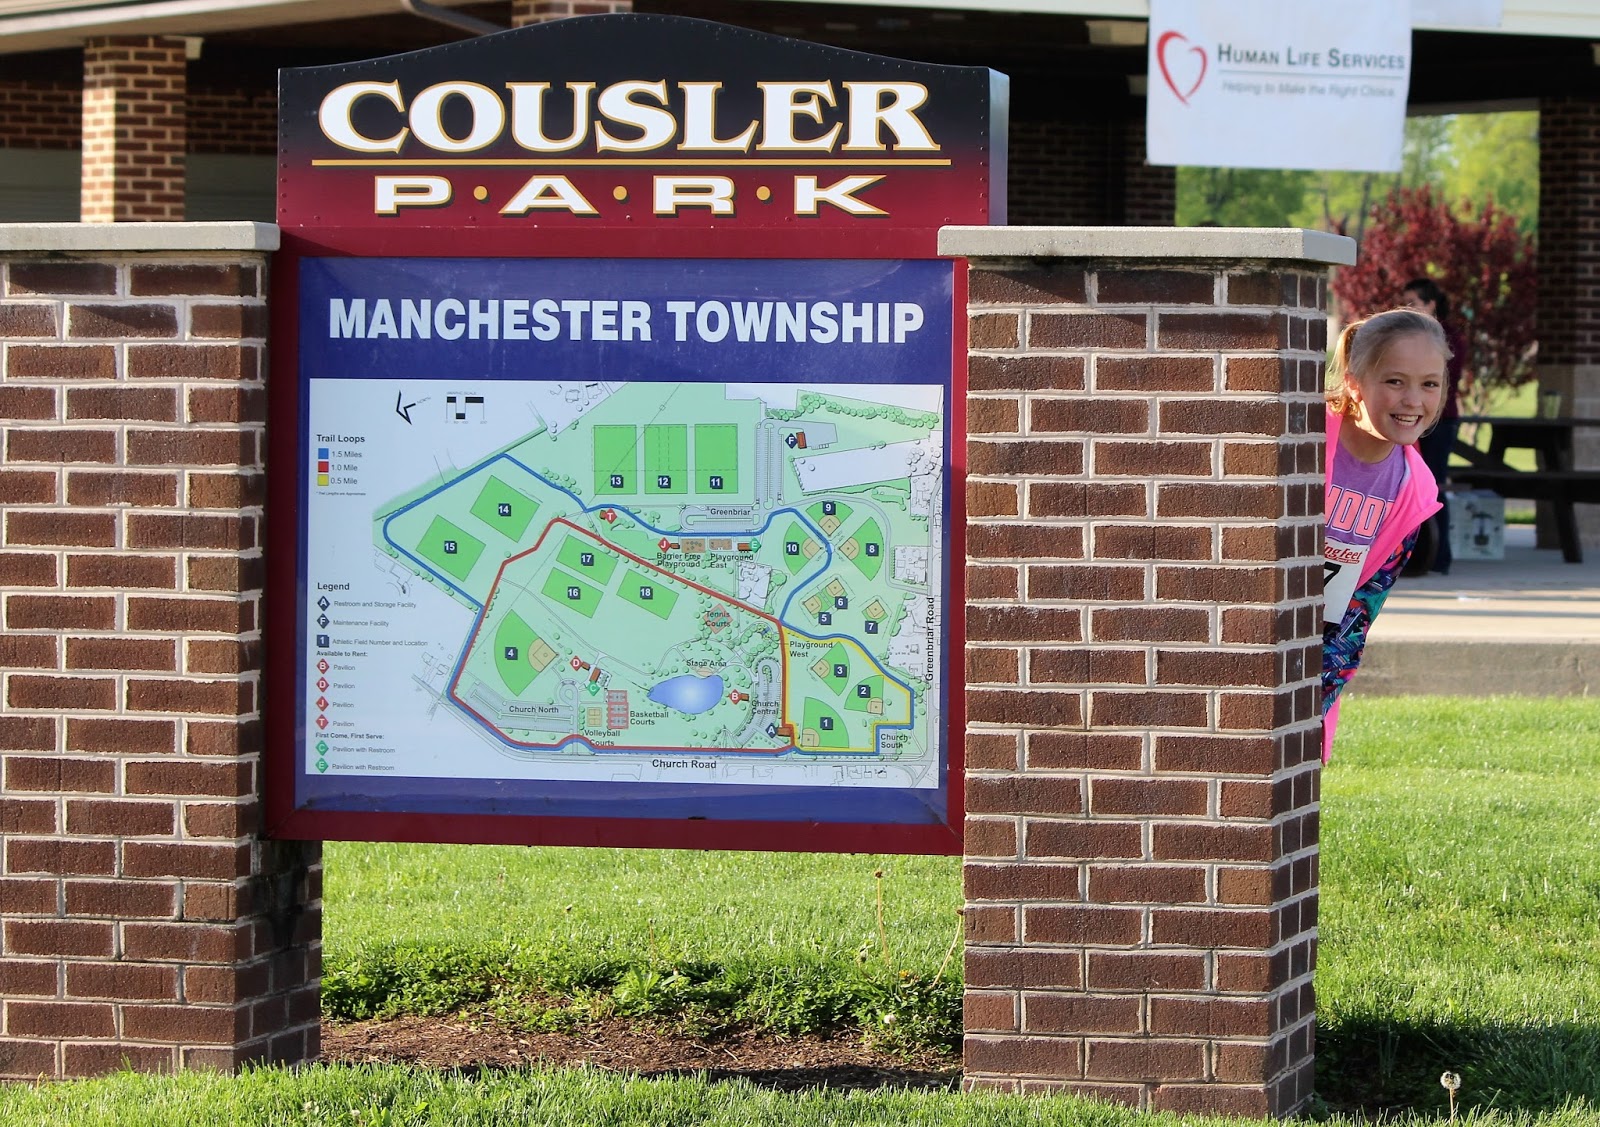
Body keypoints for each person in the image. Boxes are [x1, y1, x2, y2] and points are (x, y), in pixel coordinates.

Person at [1323, 308, 1449, 759]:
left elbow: (1359, 611)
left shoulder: (1416, 491)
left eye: (1429, 384)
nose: (1413, 399)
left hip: (1313, 661)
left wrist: (1312, 700)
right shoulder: (1298, 438)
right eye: (1395, 381)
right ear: (1354, 381)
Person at [1400, 278, 1469, 574]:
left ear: (1431, 304)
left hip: (1440, 421)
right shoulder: (1411, 336)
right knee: (1407, 484)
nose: (1408, 308)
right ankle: (1411, 555)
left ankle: (1439, 557)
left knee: (1434, 486)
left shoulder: (1447, 338)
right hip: (1414, 418)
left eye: (1413, 302)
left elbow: (1444, 379)